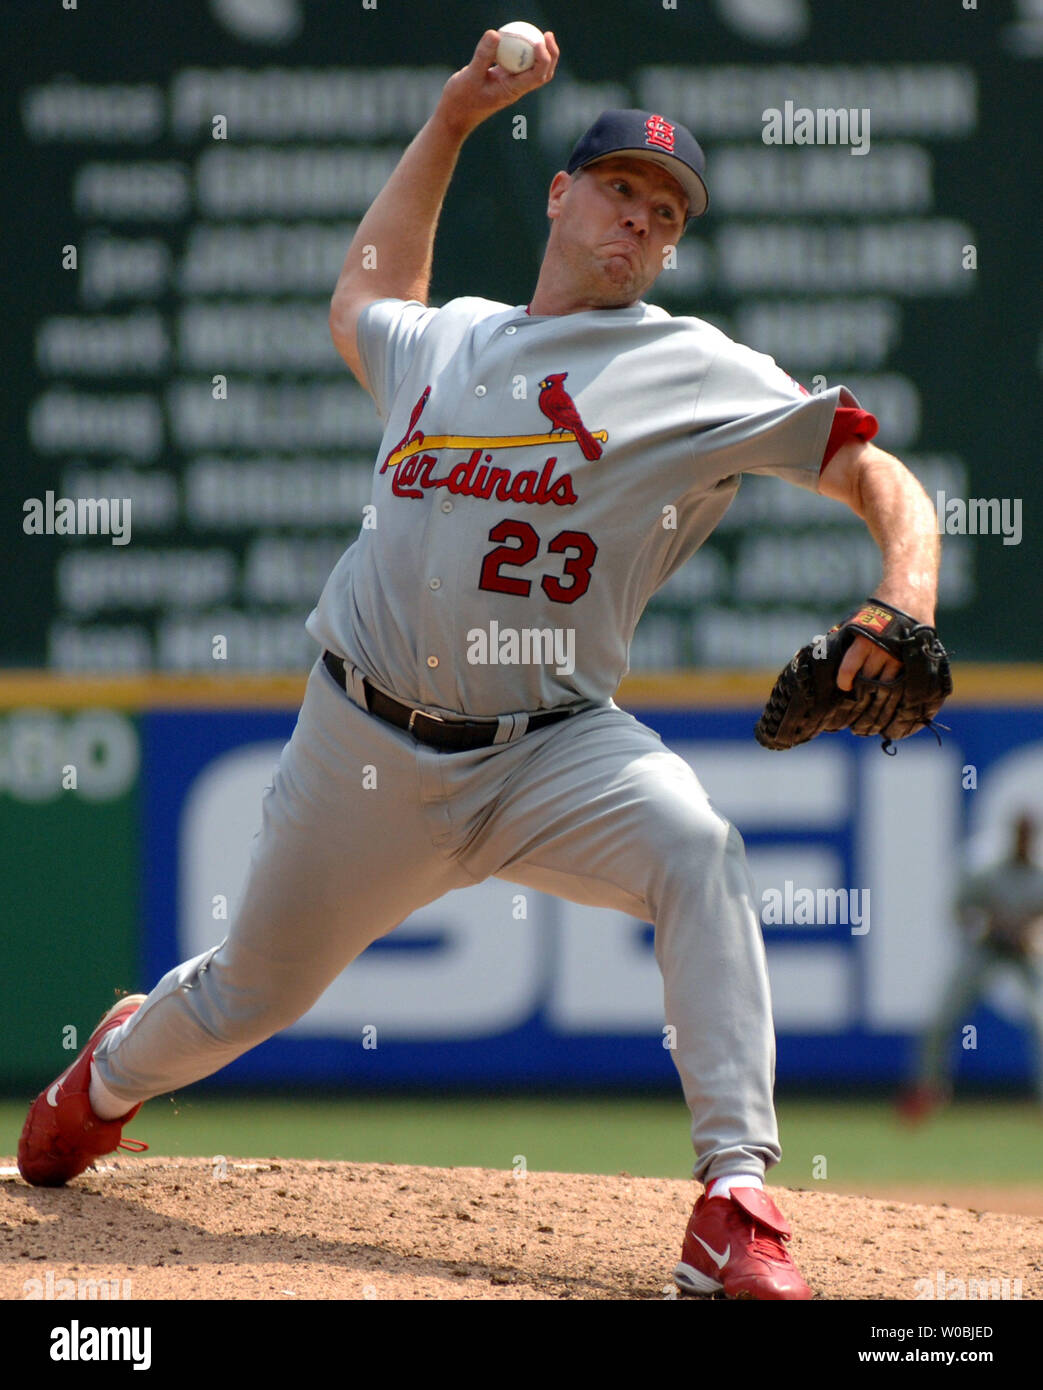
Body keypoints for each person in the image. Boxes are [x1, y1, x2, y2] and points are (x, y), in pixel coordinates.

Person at [19, 30, 942, 1301]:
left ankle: (734, 1198)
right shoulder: (444, 345)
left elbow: (871, 468)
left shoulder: (686, 367)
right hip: (361, 752)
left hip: (553, 744)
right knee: (241, 997)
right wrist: (452, 118)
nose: (639, 220)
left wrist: (902, 594)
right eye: (620, 187)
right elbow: (360, 298)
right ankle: (109, 1071)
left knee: (699, 848)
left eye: (663, 212)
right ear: (560, 196)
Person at [899, 813, 1043, 1122]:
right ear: (1012, 835)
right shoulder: (987, 871)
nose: (1024, 840)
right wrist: (990, 925)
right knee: (943, 1017)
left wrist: (1031, 932)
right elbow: (960, 910)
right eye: (1020, 833)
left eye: (1029, 834)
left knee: (1040, 1020)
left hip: (1026, 951)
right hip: (987, 947)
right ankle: (928, 1090)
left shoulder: (1039, 873)